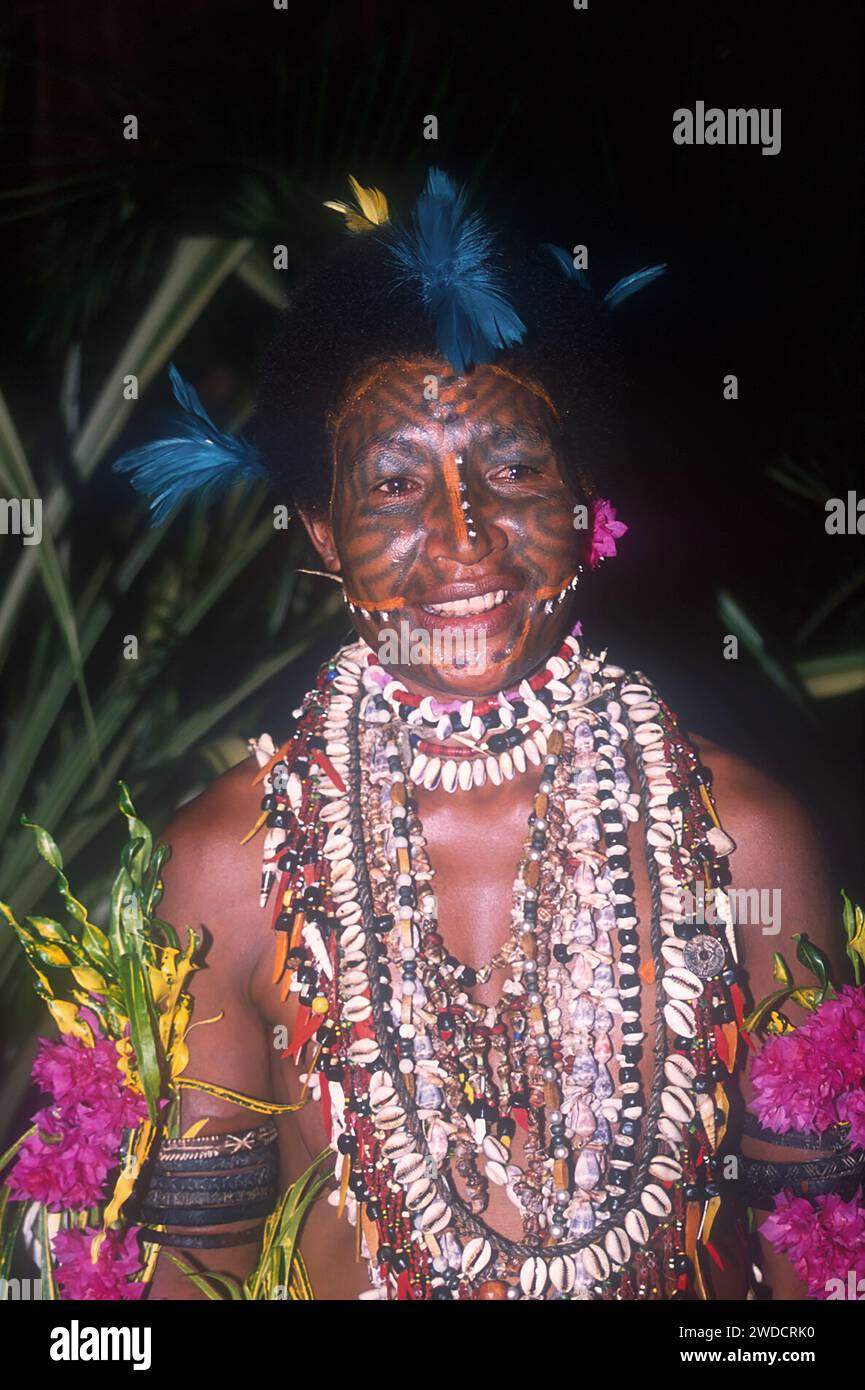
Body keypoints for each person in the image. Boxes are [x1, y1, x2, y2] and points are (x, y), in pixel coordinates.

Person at [119, 171, 853, 1301]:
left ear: (579, 497)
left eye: (511, 468)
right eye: (394, 482)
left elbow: (823, 1263)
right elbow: (184, 1282)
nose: (463, 537)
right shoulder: (227, 866)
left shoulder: (742, 838)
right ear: (321, 530)